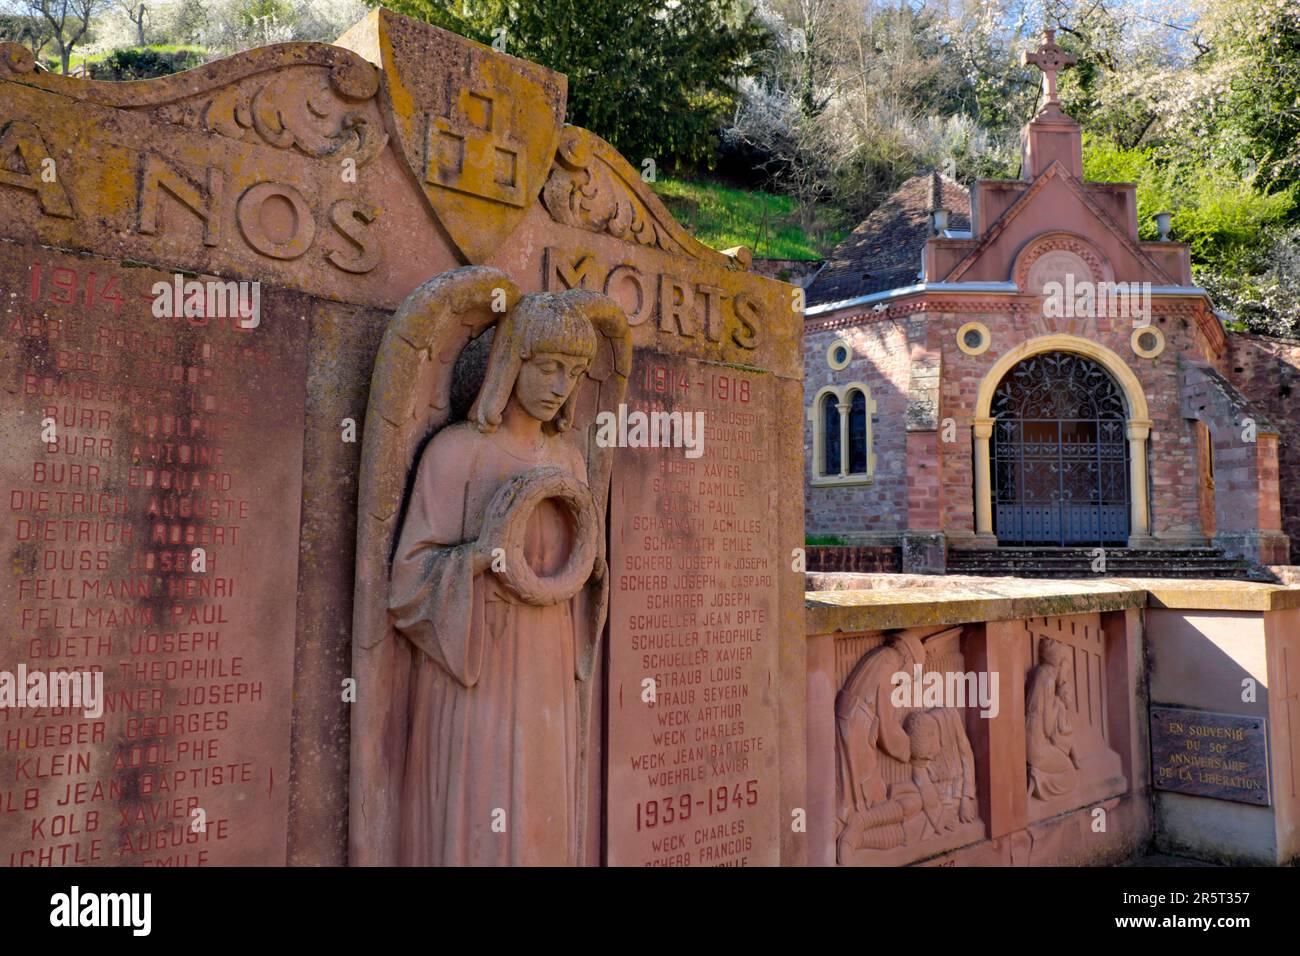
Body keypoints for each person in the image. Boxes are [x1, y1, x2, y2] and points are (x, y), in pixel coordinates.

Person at [387, 293, 602, 865]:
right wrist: (480, 556)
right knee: (483, 787)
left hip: (548, 655)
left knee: (542, 786)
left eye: (574, 372)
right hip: (477, 654)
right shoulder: (457, 453)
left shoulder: (571, 462)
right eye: (549, 365)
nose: (561, 384)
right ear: (513, 362)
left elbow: (585, 568)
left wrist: (588, 565)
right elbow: (407, 580)